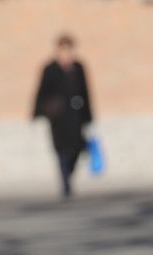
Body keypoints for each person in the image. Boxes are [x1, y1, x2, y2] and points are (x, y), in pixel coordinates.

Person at [33, 34, 94, 198]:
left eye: (69, 50)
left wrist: (89, 116)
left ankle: (69, 174)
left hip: (75, 116)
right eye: (63, 50)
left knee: (76, 149)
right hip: (58, 117)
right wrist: (39, 112)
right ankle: (65, 183)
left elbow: (86, 93)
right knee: (60, 150)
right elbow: (41, 92)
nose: (67, 54)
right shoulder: (50, 69)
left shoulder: (78, 68)